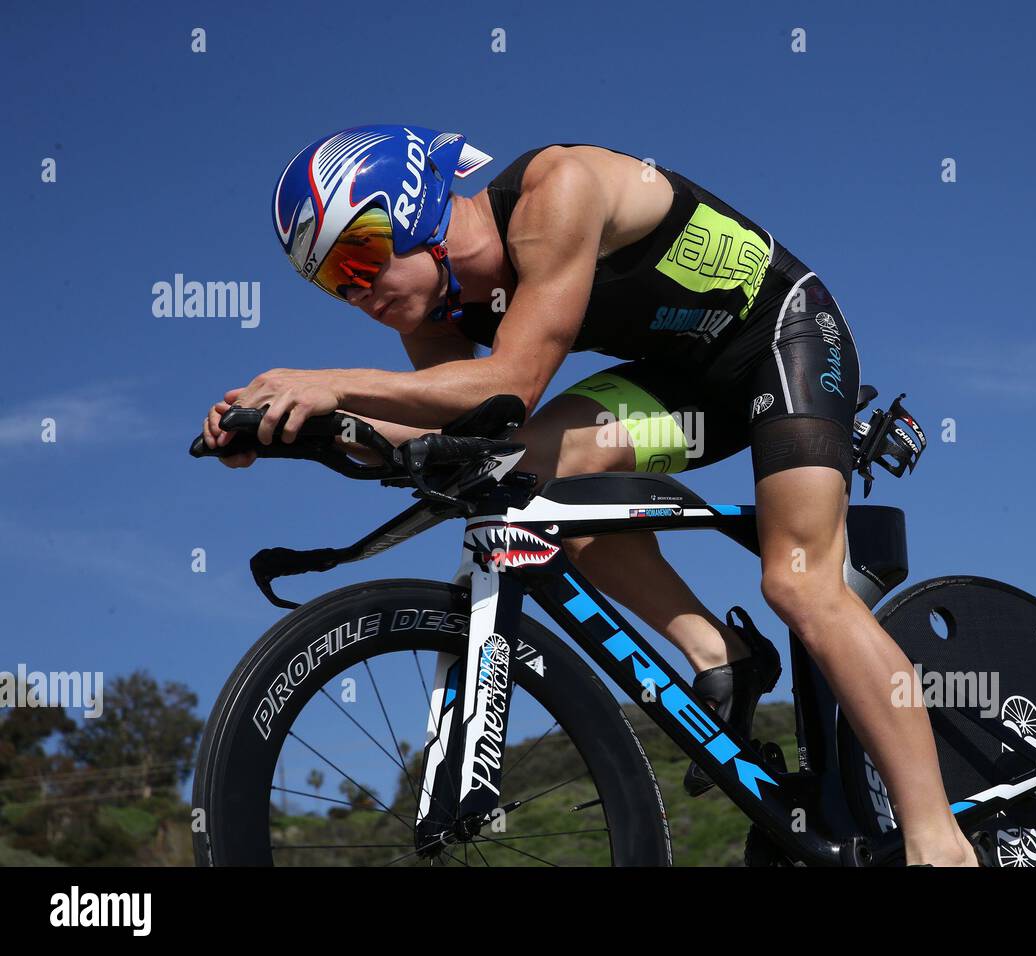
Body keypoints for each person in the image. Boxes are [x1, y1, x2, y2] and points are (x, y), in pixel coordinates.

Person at [204, 124, 978, 866]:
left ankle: (940, 845)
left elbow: (512, 382)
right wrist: (295, 427)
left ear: (415, 207)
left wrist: (324, 381)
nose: (359, 292)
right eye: (335, 282)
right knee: (527, 476)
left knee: (799, 581)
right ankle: (723, 653)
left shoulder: (556, 191)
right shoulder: (437, 308)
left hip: (782, 335)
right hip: (680, 379)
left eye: (363, 256)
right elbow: (456, 429)